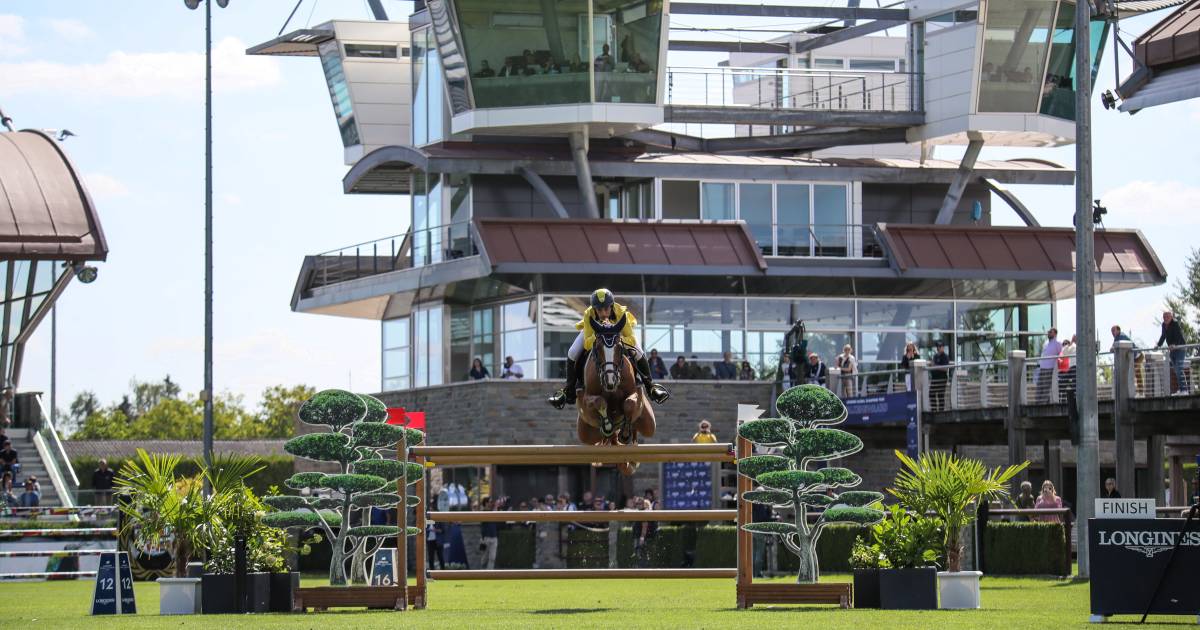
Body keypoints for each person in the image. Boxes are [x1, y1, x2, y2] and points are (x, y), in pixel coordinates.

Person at [547, 288, 669, 408]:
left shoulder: (621, 313)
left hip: (620, 336)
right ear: (594, 309)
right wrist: (600, 335)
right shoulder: (589, 314)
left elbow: (630, 339)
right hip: (595, 335)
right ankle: (568, 391)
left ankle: (651, 387)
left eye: (606, 309)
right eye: (599, 310)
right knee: (572, 352)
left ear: (611, 306)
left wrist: (616, 336)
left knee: (638, 352)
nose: (603, 313)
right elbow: (588, 343)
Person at [1155, 311, 1188, 394]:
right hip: (1172, 350)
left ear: (1171, 317)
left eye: (1167, 317)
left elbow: (1178, 336)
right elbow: (1163, 336)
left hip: (1180, 348)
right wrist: (1158, 345)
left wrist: (1175, 344)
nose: (1165, 318)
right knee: (1176, 370)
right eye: (1164, 317)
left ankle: (1184, 390)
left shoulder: (1175, 324)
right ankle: (1181, 389)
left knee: (1179, 369)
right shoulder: (1163, 325)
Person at [1037, 329, 1063, 403]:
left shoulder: (1058, 343)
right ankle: (1038, 403)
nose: (1048, 333)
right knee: (1039, 386)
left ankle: (1043, 404)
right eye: (1048, 332)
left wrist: (1059, 360)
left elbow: (1061, 353)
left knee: (1046, 386)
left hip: (1049, 368)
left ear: (1055, 334)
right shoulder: (1045, 343)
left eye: (1050, 332)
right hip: (1042, 368)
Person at [930, 341, 951, 411]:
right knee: (931, 394)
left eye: (940, 346)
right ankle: (934, 410)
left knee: (940, 395)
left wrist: (935, 366)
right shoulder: (935, 356)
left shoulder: (945, 356)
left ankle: (941, 411)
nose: (939, 348)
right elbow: (932, 365)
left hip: (941, 379)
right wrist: (931, 365)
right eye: (938, 347)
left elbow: (945, 368)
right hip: (934, 379)